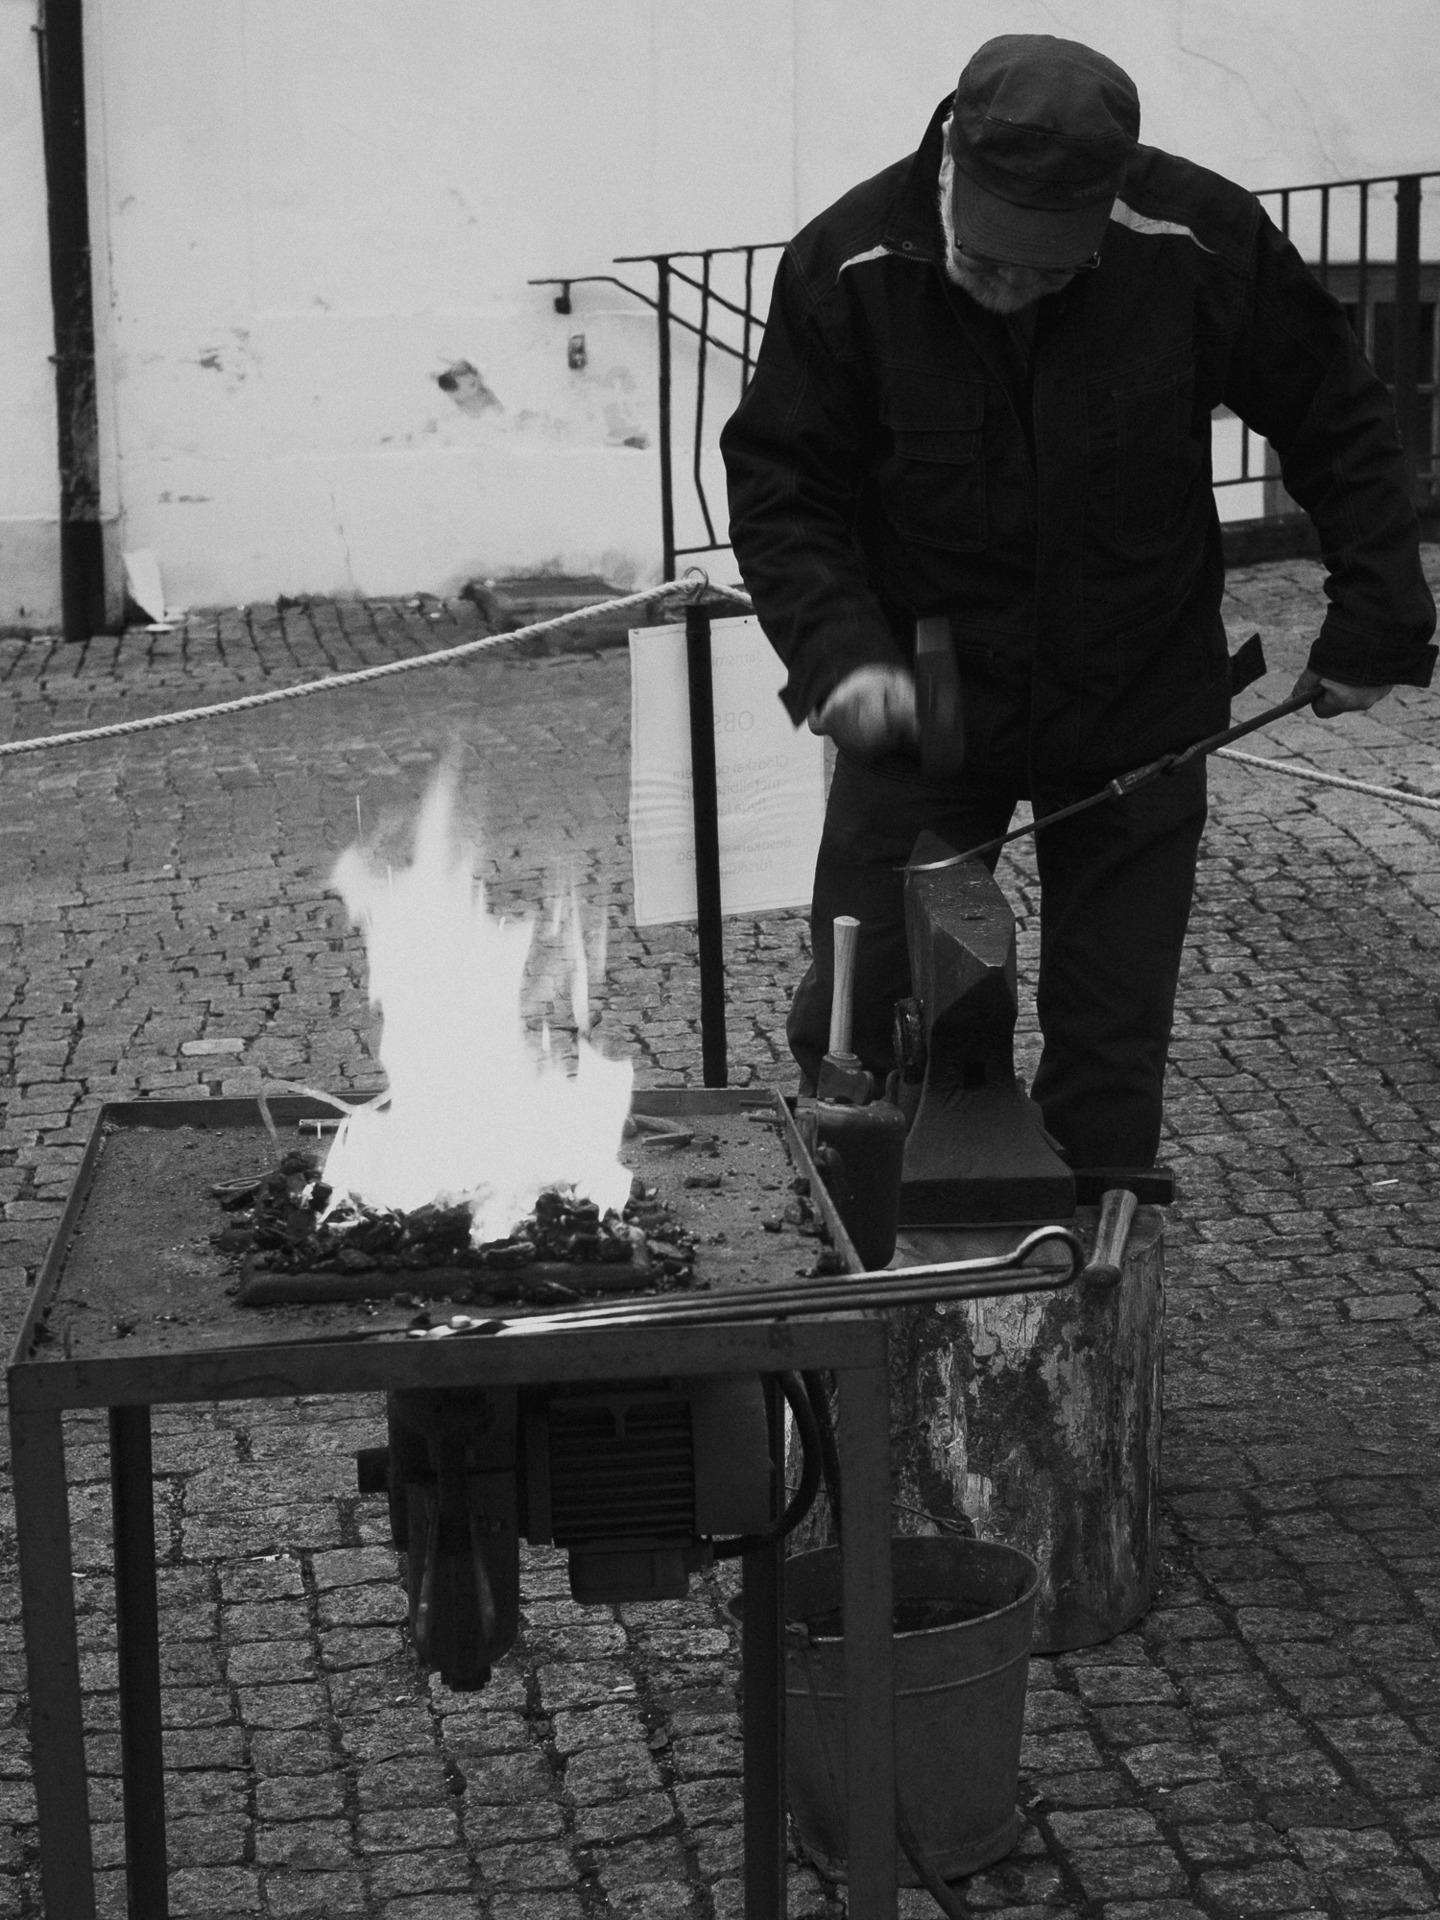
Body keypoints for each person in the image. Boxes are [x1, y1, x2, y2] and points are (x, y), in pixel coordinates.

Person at [720, 32, 1436, 1172]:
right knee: (866, 1011)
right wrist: (839, 651)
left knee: (1111, 1038)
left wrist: (1379, 619)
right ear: (950, 160)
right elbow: (781, 486)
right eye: (991, 258)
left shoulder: (1199, 241)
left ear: (1107, 206)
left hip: (1136, 683)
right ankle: (861, 1245)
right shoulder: (848, 263)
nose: (1010, 291)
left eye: (1048, 267)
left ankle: (1087, 1278)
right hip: (928, 687)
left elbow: (1337, 416)